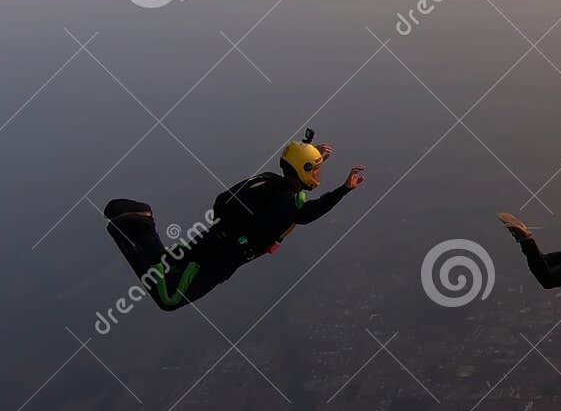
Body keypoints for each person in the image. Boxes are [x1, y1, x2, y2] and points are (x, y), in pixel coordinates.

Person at [103, 131, 365, 311]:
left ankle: (127, 219)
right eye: (315, 168)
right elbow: (310, 212)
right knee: (169, 297)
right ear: (302, 170)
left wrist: (311, 155)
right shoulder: (287, 202)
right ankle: (140, 221)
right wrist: (344, 189)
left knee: (164, 265)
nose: (318, 174)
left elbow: (294, 175)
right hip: (218, 260)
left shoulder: (270, 181)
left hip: (211, 239)